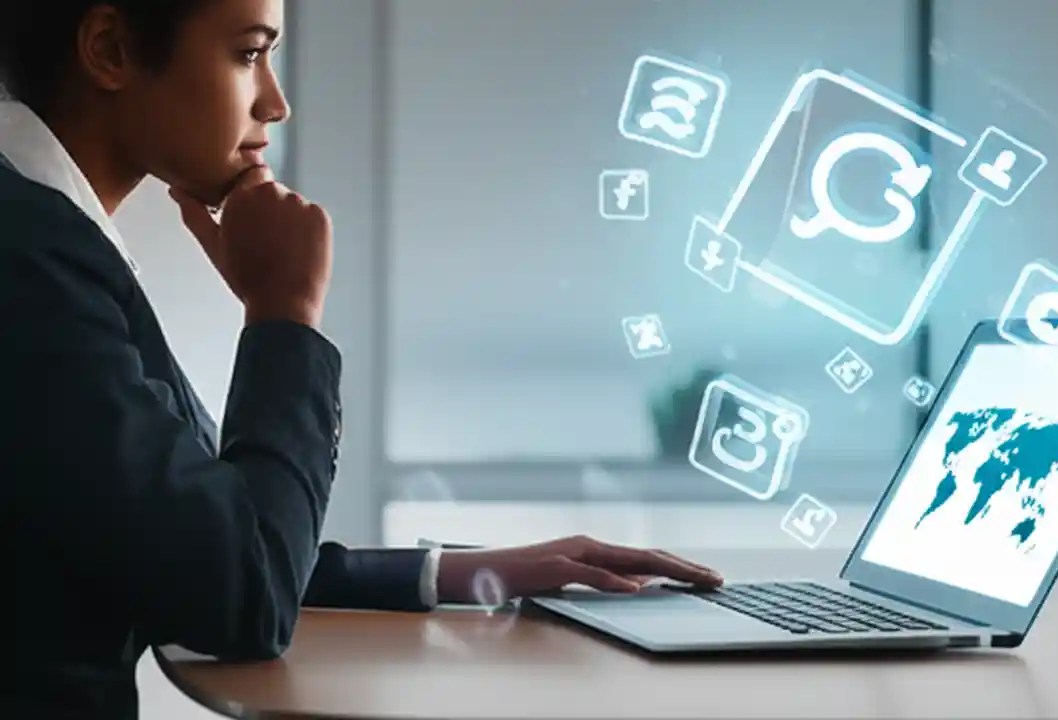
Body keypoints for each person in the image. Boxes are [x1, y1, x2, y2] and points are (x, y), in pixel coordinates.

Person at [0, 1, 722, 717]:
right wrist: (284, 314)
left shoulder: (47, 240)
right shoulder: (30, 263)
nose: (275, 103)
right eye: (249, 53)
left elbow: (195, 539)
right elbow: (241, 595)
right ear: (110, 50)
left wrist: (469, 572)